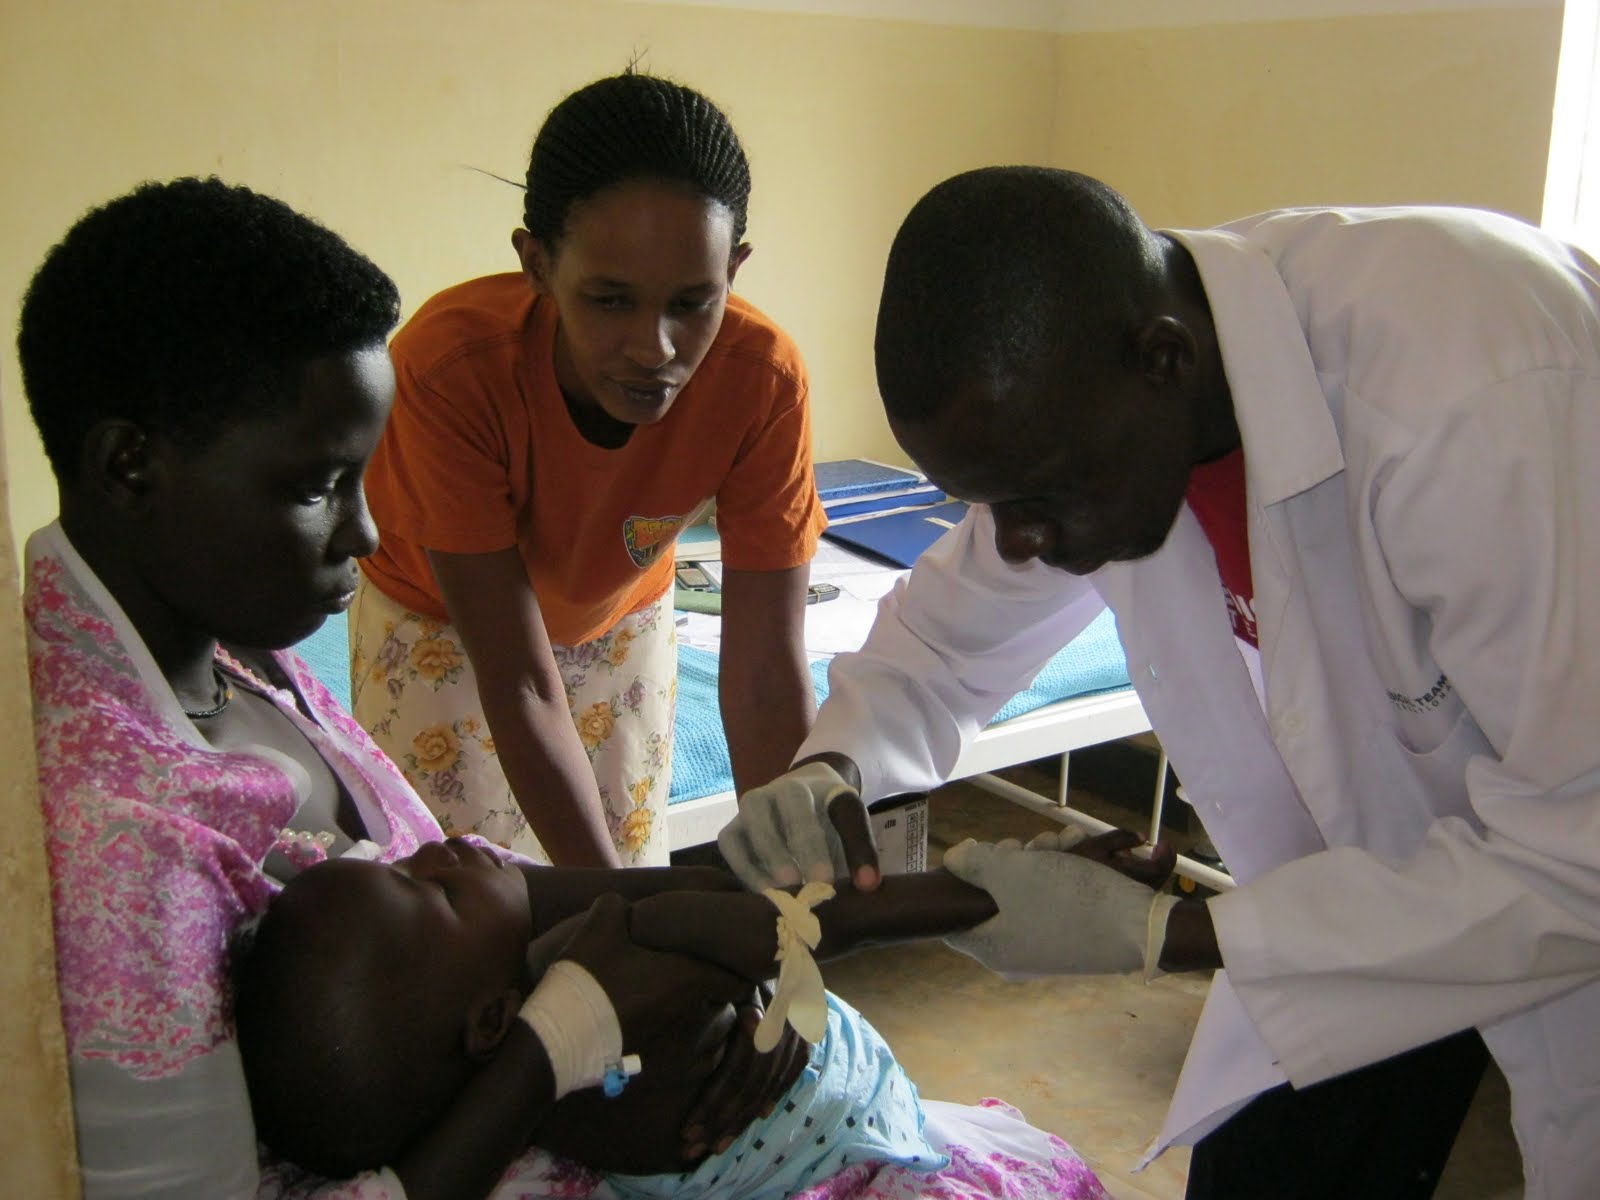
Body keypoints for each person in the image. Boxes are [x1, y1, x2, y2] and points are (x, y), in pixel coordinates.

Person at [717, 166, 1600, 1200]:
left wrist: (1159, 934)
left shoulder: (1471, 395)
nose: (1021, 542)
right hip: (1386, 878)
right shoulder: (1097, 392)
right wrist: (830, 767)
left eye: (1036, 494)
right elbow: (938, 646)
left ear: (1164, 361)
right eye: (985, 503)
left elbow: (1576, 856)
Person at [18, 176, 802, 1200]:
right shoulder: (123, 846)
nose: (369, 535)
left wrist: (734, 904)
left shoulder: (217, 639)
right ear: (130, 465)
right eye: (316, 488)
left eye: (361, 477)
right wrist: (556, 1044)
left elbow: (462, 894)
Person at [352, 69, 826, 869]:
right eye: (610, 301)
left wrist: (796, 889)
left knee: (628, 856)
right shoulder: (448, 370)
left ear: (734, 271)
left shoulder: (763, 380)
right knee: (460, 904)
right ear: (536, 265)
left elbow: (767, 679)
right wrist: (615, 920)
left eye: (693, 301)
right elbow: (519, 681)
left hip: (618, 617)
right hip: (443, 626)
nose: (656, 348)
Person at [234, 842, 1113, 1200]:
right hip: (863, 1141)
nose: (435, 846)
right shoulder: (620, 955)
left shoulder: (502, 1105)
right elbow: (817, 916)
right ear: (492, 1020)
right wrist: (999, 896)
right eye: (430, 887)